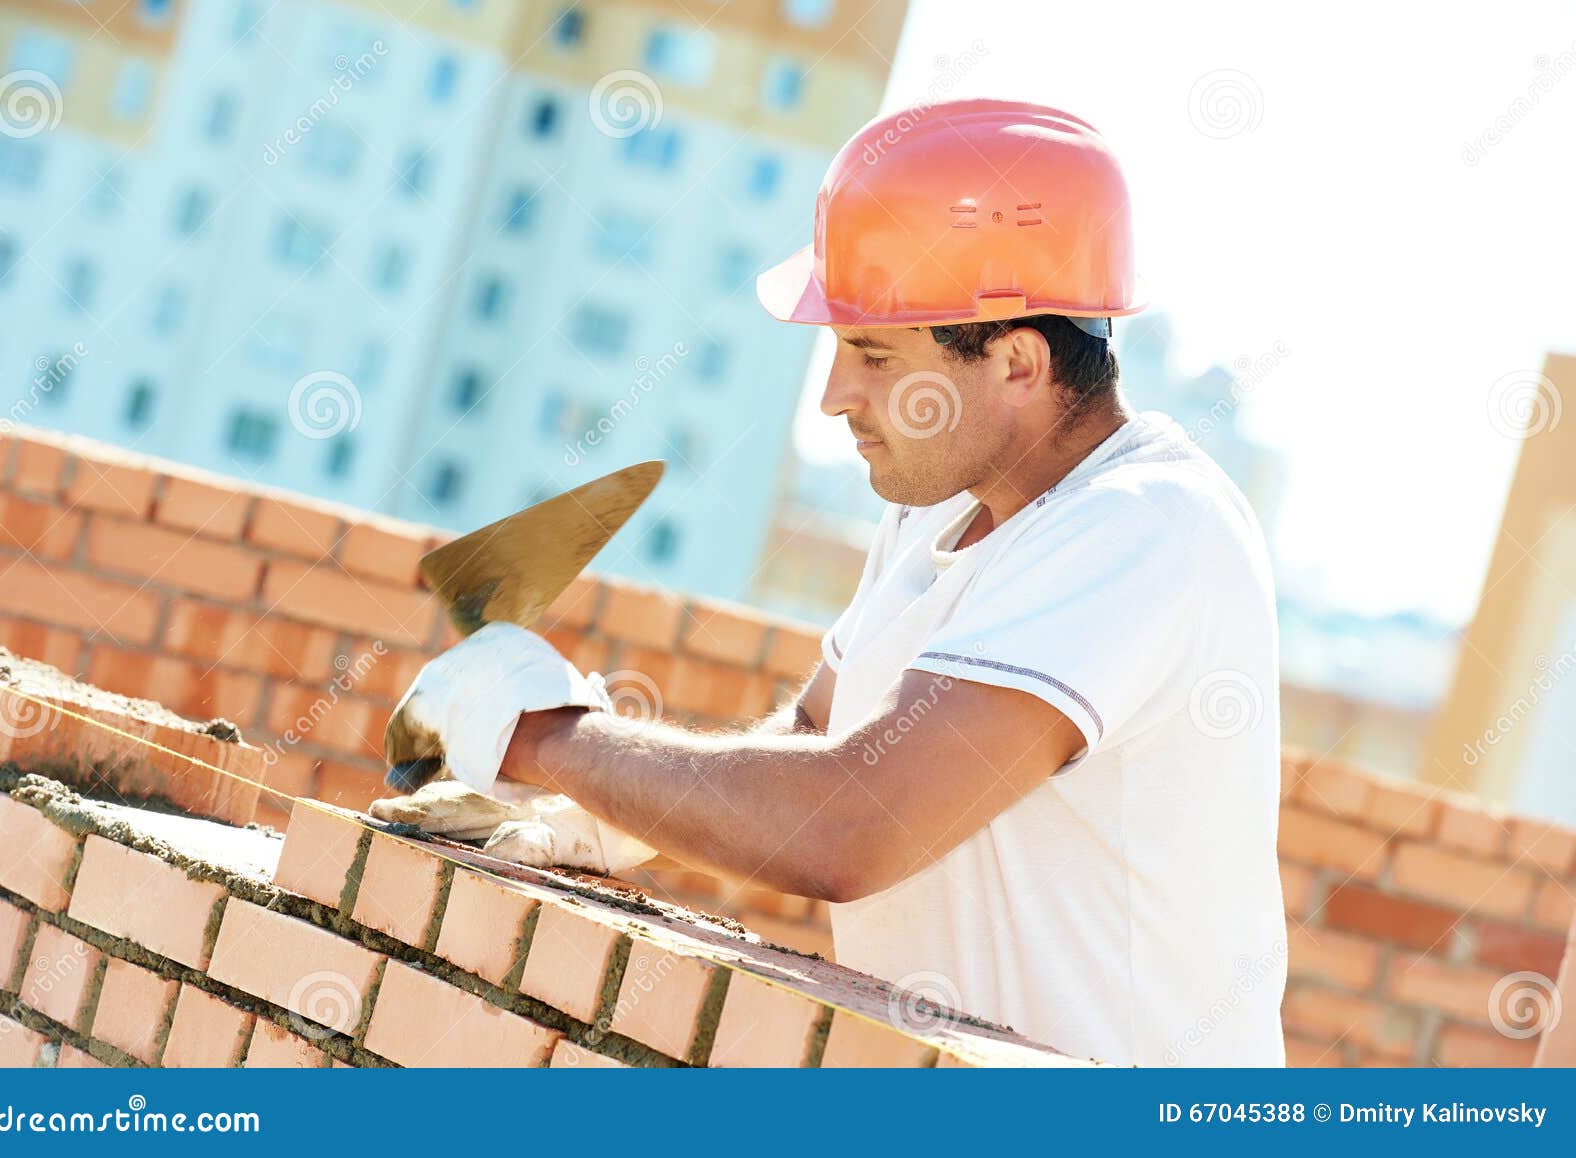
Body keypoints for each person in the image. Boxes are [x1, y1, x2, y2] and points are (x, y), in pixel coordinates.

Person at [383, 99, 1287, 1067]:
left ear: (1017, 362)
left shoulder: (1145, 529)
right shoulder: (937, 506)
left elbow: (857, 824)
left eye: (871, 355)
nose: (831, 399)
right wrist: (599, 823)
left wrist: (546, 738)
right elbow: (817, 737)